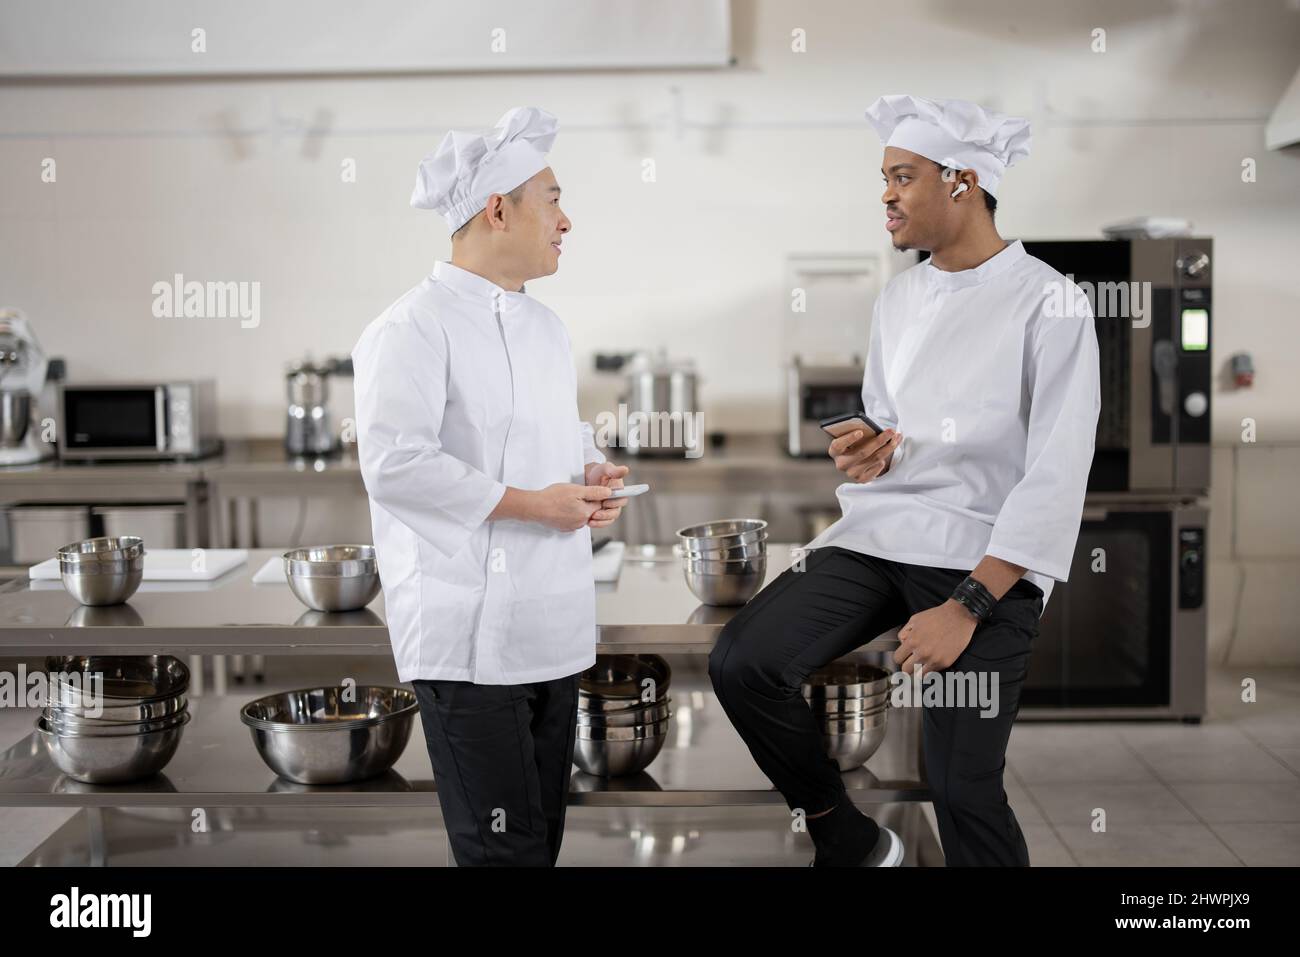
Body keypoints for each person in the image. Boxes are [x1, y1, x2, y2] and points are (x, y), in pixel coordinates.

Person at [709, 94, 1101, 867]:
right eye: (884, 178)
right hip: (882, 535)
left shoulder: (1052, 302)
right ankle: (847, 834)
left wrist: (969, 604)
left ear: (961, 180)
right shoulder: (900, 297)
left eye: (902, 176)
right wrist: (871, 452)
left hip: (988, 559)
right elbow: (893, 431)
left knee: (961, 790)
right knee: (743, 662)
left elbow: (1057, 475)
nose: (885, 195)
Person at [352, 106, 630, 866]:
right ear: (497, 208)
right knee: (500, 853)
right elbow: (397, 465)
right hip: (466, 638)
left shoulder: (544, 327)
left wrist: (588, 472)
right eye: (552, 197)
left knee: (537, 846)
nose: (566, 219)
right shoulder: (408, 329)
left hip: (552, 626)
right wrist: (533, 504)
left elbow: (547, 436)